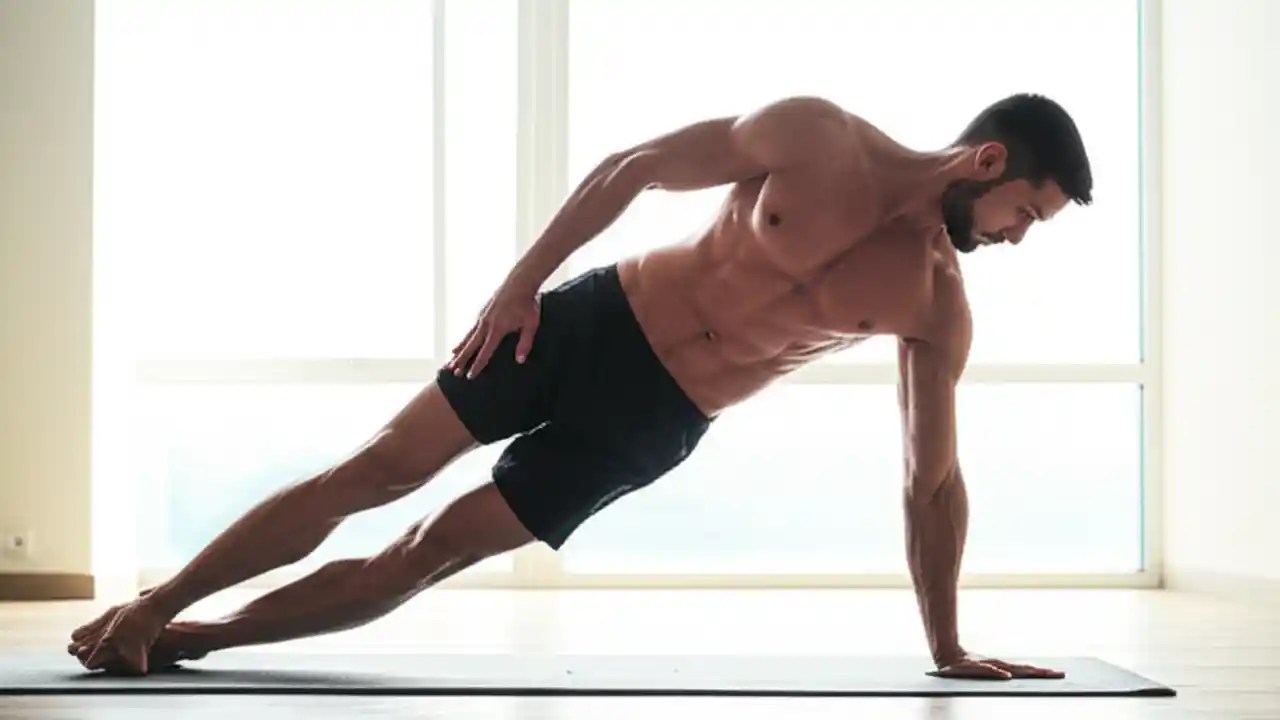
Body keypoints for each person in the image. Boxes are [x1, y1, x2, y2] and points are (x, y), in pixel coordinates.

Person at [68, 93, 1091, 681]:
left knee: (426, 552)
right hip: (589, 323)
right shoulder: (815, 137)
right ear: (987, 159)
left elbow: (931, 481)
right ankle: (159, 604)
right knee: (377, 471)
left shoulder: (933, 299)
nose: (1015, 237)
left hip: (653, 420)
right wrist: (518, 287)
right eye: (1022, 213)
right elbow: (632, 165)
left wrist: (947, 644)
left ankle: (197, 636)